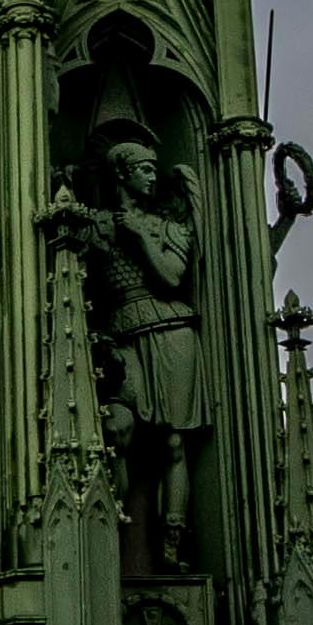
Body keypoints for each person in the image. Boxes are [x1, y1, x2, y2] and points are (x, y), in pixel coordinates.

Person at [64, 132, 207, 562]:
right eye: (144, 169)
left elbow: (169, 278)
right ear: (122, 174)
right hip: (122, 336)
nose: (152, 177)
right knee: (116, 429)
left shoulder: (167, 227)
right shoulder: (101, 223)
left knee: (173, 445)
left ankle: (171, 540)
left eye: (153, 168)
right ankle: (111, 526)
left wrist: (139, 238)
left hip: (172, 333)